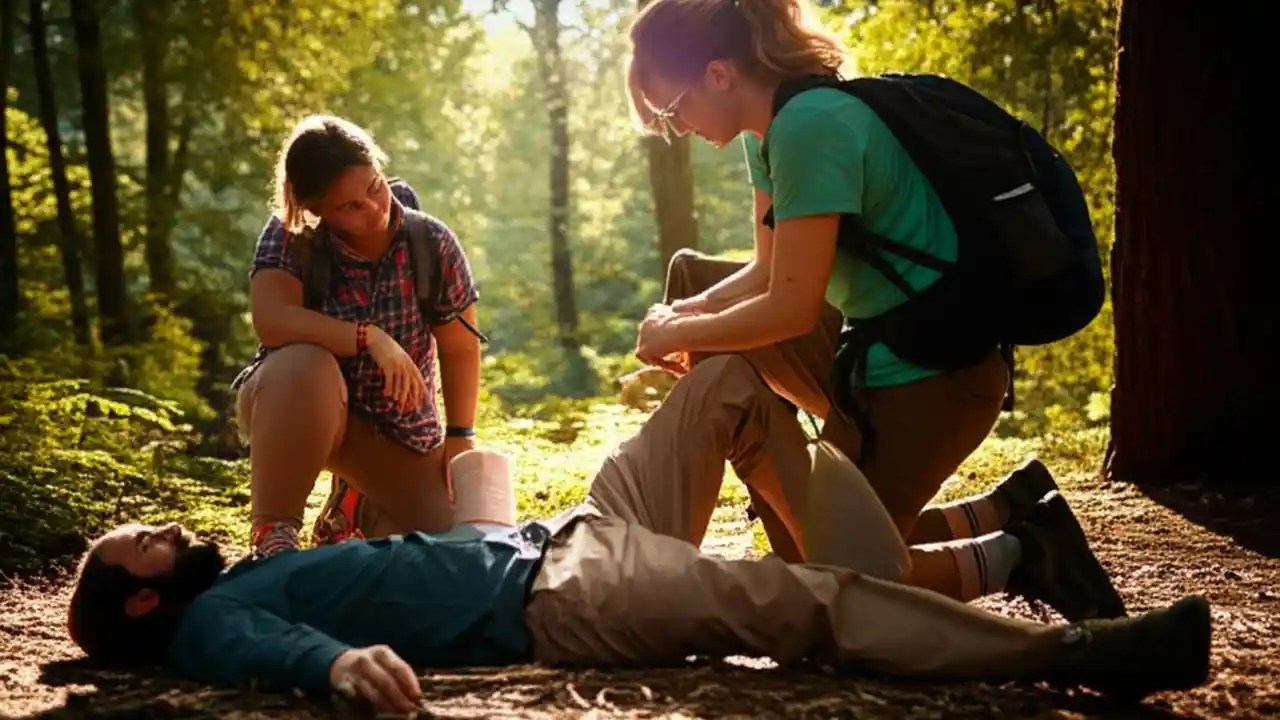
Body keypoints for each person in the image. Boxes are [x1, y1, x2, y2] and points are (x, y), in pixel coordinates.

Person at [65, 357, 1207, 717]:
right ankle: (1073, 654)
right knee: (796, 609)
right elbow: (262, 654)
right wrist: (339, 663)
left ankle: (959, 562)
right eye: (138, 546)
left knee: (724, 386)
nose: (156, 531)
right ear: (142, 605)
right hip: (567, 596)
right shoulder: (212, 621)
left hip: (570, 533)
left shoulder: (230, 580)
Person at [622, 0, 1112, 609]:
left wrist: (677, 334)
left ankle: (1027, 552)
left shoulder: (810, 128)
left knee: (838, 583)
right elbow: (767, 270)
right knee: (814, 550)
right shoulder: (769, 134)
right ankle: (1003, 508)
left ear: (719, 74)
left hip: (936, 378)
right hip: (876, 361)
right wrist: (685, 319)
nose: (677, 129)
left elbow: (792, 309)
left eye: (673, 109)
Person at [230, 114, 483, 557]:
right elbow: (272, 319)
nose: (373, 208)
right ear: (315, 210)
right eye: (348, 206)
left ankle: (355, 507)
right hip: (300, 408)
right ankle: (274, 535)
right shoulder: (293, 235)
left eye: (374, 186)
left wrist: (460, 435)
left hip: (398, 431)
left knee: (455, 542)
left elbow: (460, 347)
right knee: (304, 363)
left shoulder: (430, 242)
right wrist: (369, 338)